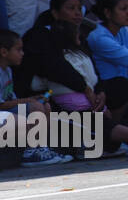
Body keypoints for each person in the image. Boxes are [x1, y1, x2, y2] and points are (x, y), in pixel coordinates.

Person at [23, 0, 128, 156]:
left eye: (79, 8)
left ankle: (125, 137)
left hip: (86, 94)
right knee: (85, 111)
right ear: (55, 13)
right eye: (71, 8)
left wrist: (100, 92)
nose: (77, 13)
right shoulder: (41, 36)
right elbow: (56, 68)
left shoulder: (80, 37)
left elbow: (93, 69)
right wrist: (86, 89)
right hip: (57, 96)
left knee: (121, 86)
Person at [0, 29, 73, 167]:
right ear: (4, 52)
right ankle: (30, 151)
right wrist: (29, 101)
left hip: (5, 111)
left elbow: (10, 99)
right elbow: (1, 105)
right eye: (18, 50)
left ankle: (42, 148)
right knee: (35, 106)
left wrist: (33, 98)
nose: (22, 54)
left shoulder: (7, 71)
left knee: (44, 106)